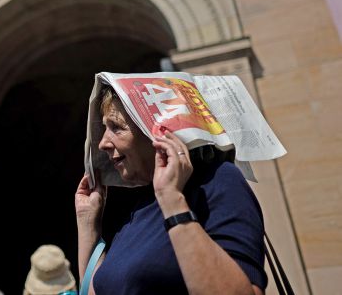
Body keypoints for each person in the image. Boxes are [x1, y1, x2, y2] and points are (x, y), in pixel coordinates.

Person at [75, 86, 266, 294]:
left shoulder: (216, 180)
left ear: (157, 132)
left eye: (116, 127)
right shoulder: (141, 208)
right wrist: (87, 223)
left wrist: (173, 201)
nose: (102, 143)